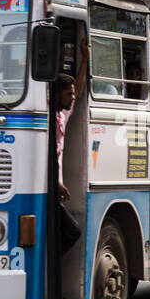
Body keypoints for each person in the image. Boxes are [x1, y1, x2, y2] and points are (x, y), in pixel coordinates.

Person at [54, 38, 89, 257]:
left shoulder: (62, 115)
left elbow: (81, 85)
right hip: (47, 189)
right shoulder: (44, 119)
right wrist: (56, 182)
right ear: (57, 94)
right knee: (71, 231)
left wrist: (85, 58)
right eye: (69, 94)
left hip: (55, 189)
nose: (73, 97)